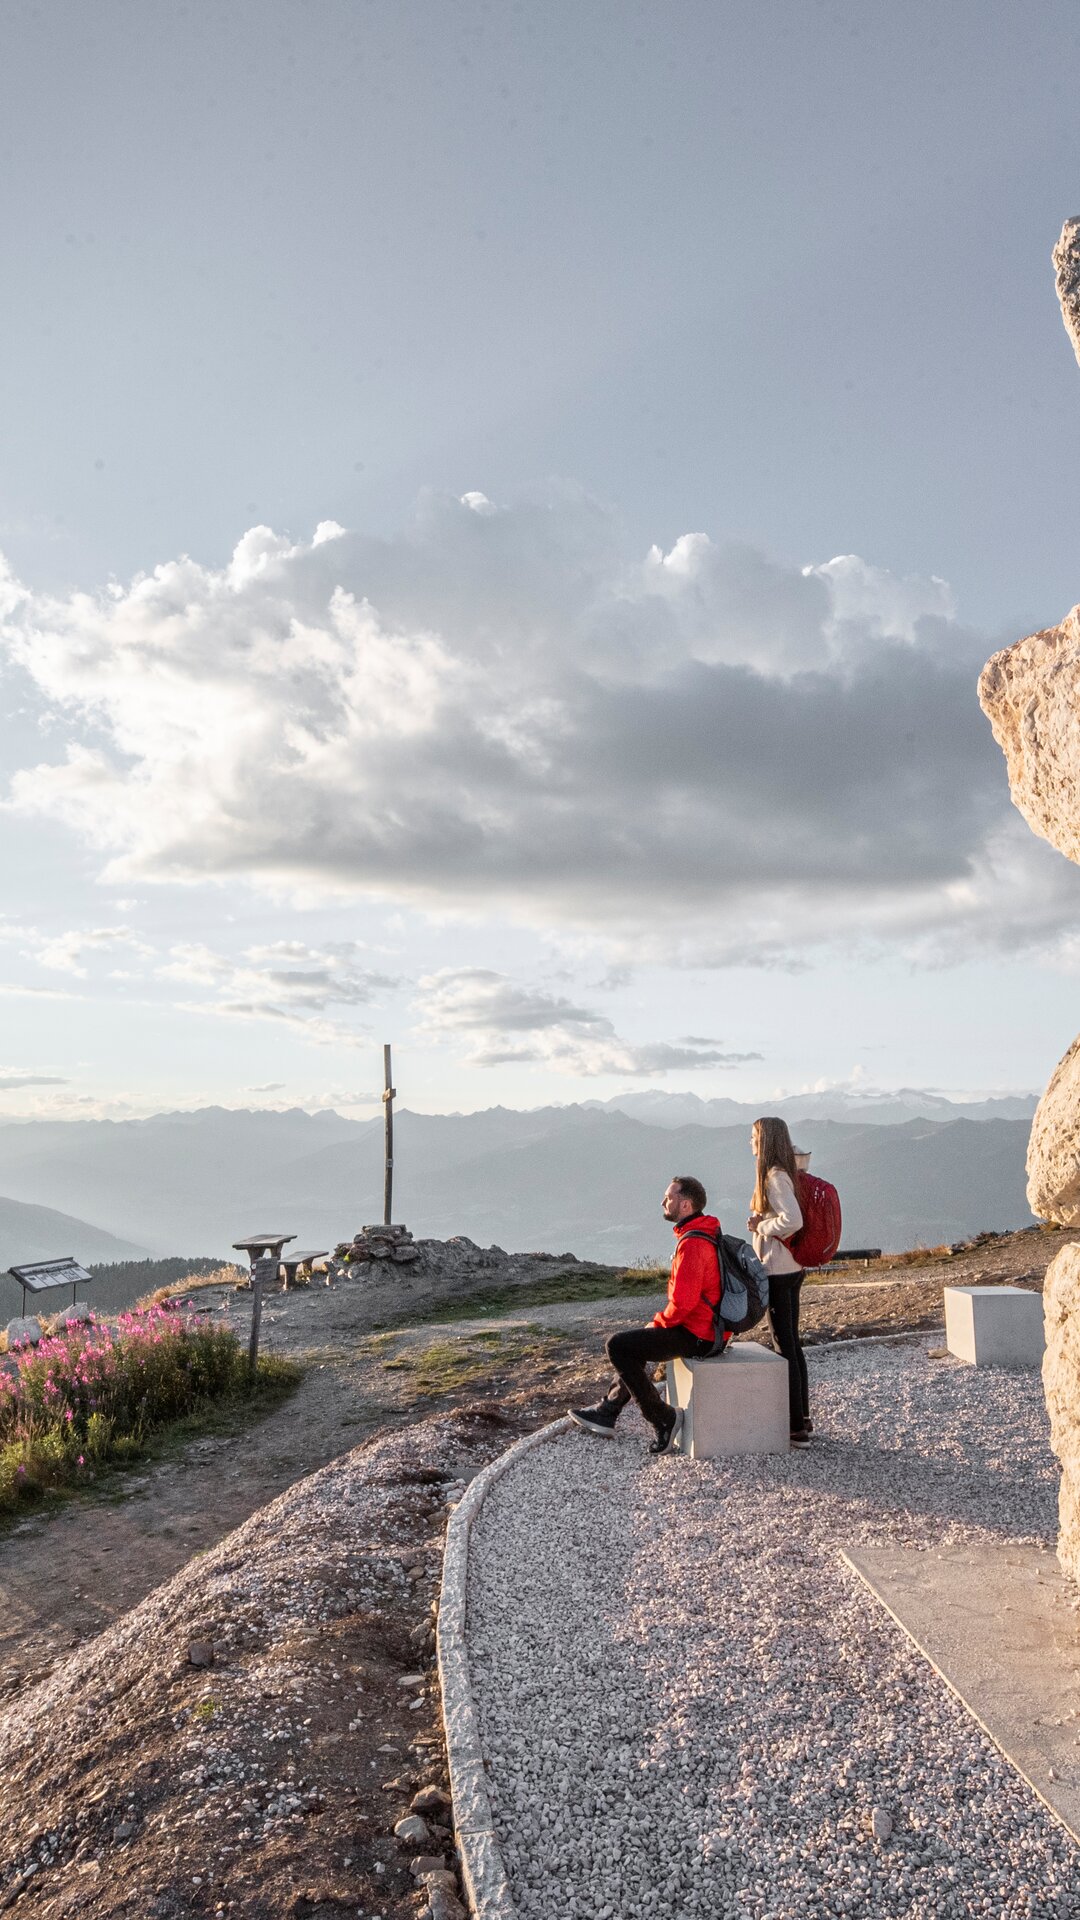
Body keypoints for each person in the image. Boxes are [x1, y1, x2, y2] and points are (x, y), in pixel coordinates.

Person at [570, 1175, 721, 1455]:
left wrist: (658, 1323)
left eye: (669, 1197)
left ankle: (663, 1418)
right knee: (633, 1346)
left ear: (685, 1205)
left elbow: (683, 1304)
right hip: (705, 1327)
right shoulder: (702, 1232)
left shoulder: (693, 1244)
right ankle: (608, 1410)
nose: (663, 1201)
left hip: (697, 1334)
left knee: (617, 1345)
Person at [748, 1115, 810, 1447]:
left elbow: (793, 1220)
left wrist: (761, 1226)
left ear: (766, 1141)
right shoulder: (787, 1173)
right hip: (791, 1267)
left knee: (783, 1344)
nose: (751, 1143)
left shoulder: (774, 1177)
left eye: (754, 1137)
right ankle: (802, 1418)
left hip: (778, 1270)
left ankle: (794, 1426)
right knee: (792, 1343)